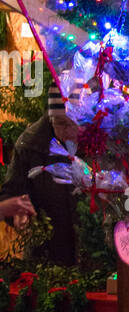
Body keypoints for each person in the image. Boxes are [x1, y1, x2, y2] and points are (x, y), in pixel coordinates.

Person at [0, 84, 80, 264]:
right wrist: (19, 215)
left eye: (72, 123)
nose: (67, 132)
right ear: (50, 118)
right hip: (47, 255)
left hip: (96, 254)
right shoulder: (30, 143)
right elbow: (12, 193)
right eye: (60, 124)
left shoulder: (100, 139)